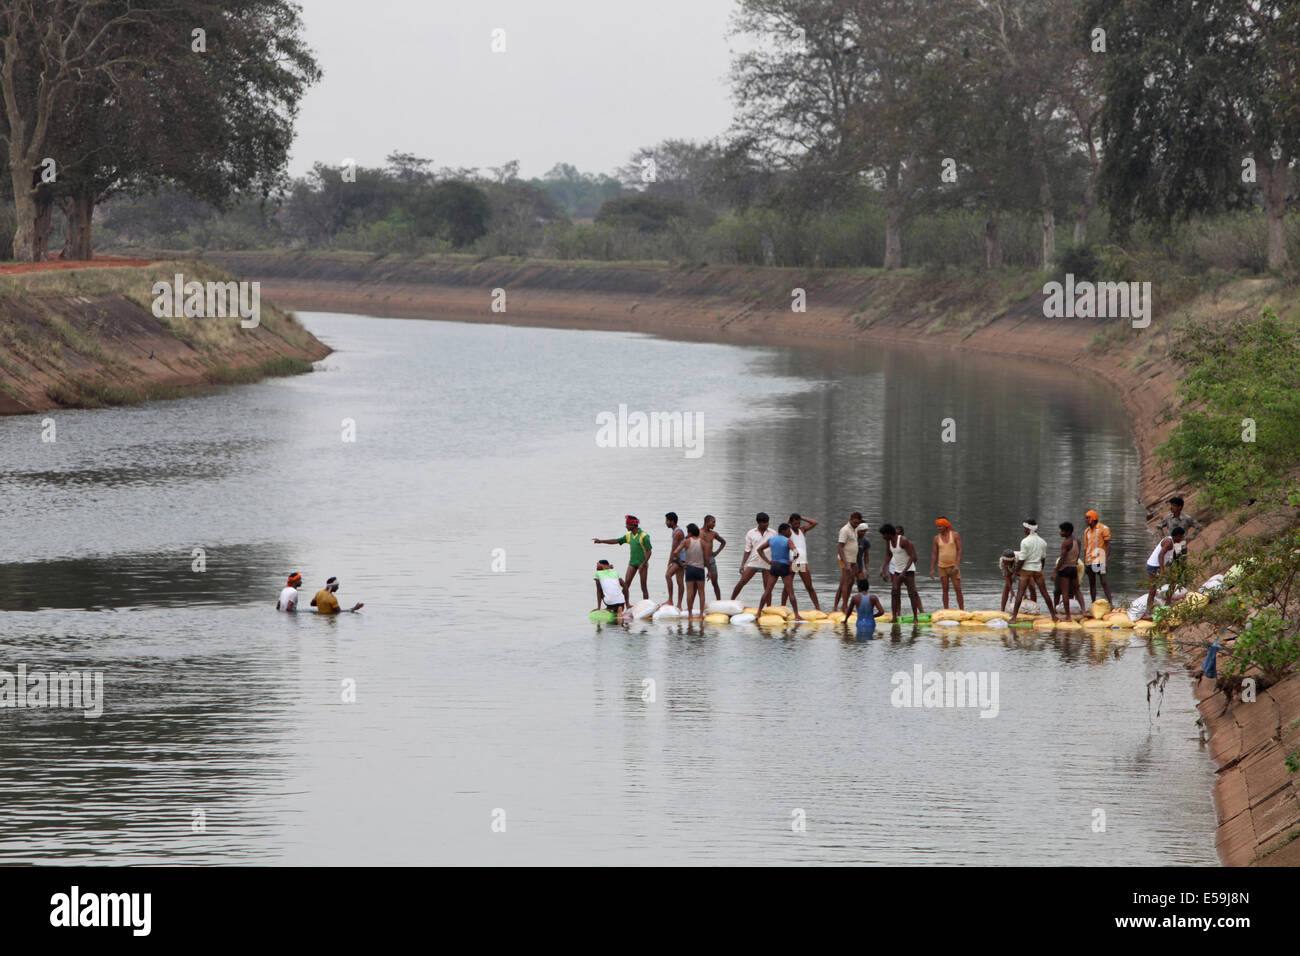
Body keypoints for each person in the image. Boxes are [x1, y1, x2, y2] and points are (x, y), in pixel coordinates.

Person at [593, 516, 652, 603]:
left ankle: (647, 604)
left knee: (643, 586)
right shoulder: (629, 535)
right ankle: (622, 605)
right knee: (626, 585)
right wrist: (601, 541)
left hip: (642, 564)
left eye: (627, 525)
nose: (626, 527)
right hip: (632, 563)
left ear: (633, 525)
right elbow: (616, 541)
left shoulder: (644, 536)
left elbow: (649, 551)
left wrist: (643, 564)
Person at [1009, 520, 1057, 623]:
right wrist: (1041, 569)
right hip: (1037, 570)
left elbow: (1022, 560)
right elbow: (1043, 559)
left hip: (1026, 571)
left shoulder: (1025, 541)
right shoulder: (1043, 542)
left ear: (1028, 529)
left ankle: (1014, 618)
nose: (1024, 530)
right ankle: (1053, 616)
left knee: (1020, 594)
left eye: (1025, 528)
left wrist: (1014, 573)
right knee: (1045, 594)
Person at [879, 523, 923, 620]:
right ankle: (894, 617)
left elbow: (913, 556)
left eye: (883, 534)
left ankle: (915, 617)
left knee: (911, 593)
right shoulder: (889, 542)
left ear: (889, 533)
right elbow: (888, 555)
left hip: (909, 570)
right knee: (894, 592)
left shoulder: (903, 541)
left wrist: (904, 571)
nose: (882, 537)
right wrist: (883, 568)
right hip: (897, 570)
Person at [757, 522, 799, 617]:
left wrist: (768, 561)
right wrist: (792, 561)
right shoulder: (788, 540)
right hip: (784, 566)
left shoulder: (771, 539)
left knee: (767, 591)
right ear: (784, 531)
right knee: (790, 592)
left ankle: (759, 612)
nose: (790, 533)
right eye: (789, 531)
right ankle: (796, 614)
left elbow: (759, 549)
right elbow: (796, 552)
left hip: (774, 566)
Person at [731, 512, 775, 601]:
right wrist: (742, 564)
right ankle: (731, 600)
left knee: (768, 588)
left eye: (767, 522)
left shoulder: (773, 533)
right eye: (765, 522)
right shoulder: (751, 533)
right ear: (759, 523)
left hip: (768, 563)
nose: (767, 524)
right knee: (742, 581)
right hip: (754, 561)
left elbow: (776, 548)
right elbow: (747, 550)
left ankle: (769, 607)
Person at [1144, 527, 1186, 619]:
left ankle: (1167, 602)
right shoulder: (1168, 542)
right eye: (1181, 537)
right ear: (1177, 536)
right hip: (1154, 566)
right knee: (1153, 589)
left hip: (1154, 565)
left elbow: (1169, 557)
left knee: (1172, 581)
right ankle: (1148, 612)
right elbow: (1161, 554)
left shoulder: (1172, 542)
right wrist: (1162, 569)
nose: (1182, 539)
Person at [782, 513, 822, 611]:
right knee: (788, 586)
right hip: (793, 562)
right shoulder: (788, 532)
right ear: (791, 523)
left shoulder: (802, 530)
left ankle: (818, 608)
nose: (797, 525)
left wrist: (802, 517)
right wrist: (788, 519)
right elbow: (782, 528)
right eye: (795, 523)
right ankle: (782, 607)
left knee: (809, 586)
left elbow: (815, 522)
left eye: (799, 523)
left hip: (803, 562)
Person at [673, 523, 708, 619]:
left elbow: (675, 552)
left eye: (688, 532)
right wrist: (708, 569)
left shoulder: (686, 542)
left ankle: (690, 614)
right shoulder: (703, 542)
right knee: (701, 592)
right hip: (700, 569)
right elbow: (706, 558)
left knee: (689, 592)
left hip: (689, 569)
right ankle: (701, 614)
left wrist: (681, 563)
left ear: (690, 532)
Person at [929, 517, 964, 610]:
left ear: (946, 526)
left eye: (940, 526)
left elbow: (960, 550)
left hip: (953, 566)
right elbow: (934, 554)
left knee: (958, 589)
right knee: (945, 589)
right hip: (942, 567)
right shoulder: (936, 538)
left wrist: (957, 565)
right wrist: (932, 569)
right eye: (937, 527)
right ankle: (946, 609)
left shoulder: (955, 535)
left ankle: (962, 610)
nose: (938, 528)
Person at [1053, 521, 1086, 619]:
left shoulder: (1066, 542)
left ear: (1067, 532)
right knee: (1077, 590)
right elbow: (1077, 555)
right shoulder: (1078, 541)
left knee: (1065, 593)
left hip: (1065, 569)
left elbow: (1062, 558)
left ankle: (1068, 616)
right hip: (1073, 568)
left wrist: (1055, 571)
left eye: (1062, 531)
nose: (1060, 533)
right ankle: (1083, 610)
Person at [834, 512, 864, 613]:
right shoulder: (845, 530)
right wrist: (846, 564)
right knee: (845, 583)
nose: (857, 523)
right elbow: (840, 547)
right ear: (851, 519)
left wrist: (854, 563)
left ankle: (840, 606)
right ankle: (844, 607)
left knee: (849, 583)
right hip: (845, 560)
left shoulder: (854, 529)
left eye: (858, 522)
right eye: (855, 521)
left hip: (852, 560)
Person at [1082, 509, 1113, 604]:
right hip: (1089, 561)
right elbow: (1086, 547)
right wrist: (1085, 562)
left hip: (1100, 560)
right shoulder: (1086, 531)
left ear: (1093, 518)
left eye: (1087, 518)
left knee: (1103, 582)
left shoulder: (1103, 529)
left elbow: (1108, 545)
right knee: (1092, 584)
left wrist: (1106, 560)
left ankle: (1111, 603)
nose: (1085, 520)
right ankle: (1093, 603)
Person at [700, 515, 727, 602]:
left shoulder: (713, 534)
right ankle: (699, 604)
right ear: (707, 522)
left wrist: (716, 552)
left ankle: (719, 602)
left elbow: (723, 542)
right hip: (699, 560)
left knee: (715, 583)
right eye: (713, 522)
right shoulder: (698, 532)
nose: (714, 524)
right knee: (699, 585)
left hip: (711, 559)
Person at [664, 512, 686, 607]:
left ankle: (670, 600)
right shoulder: (676, 531)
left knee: (668, 575)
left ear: (672, 521)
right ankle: (679, 605)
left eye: (667, 521)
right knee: (680, 581)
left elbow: (674, 549)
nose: (666, 522)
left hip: (679, 559)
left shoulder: (677, 532)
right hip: (681, 558)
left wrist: (669, 563)